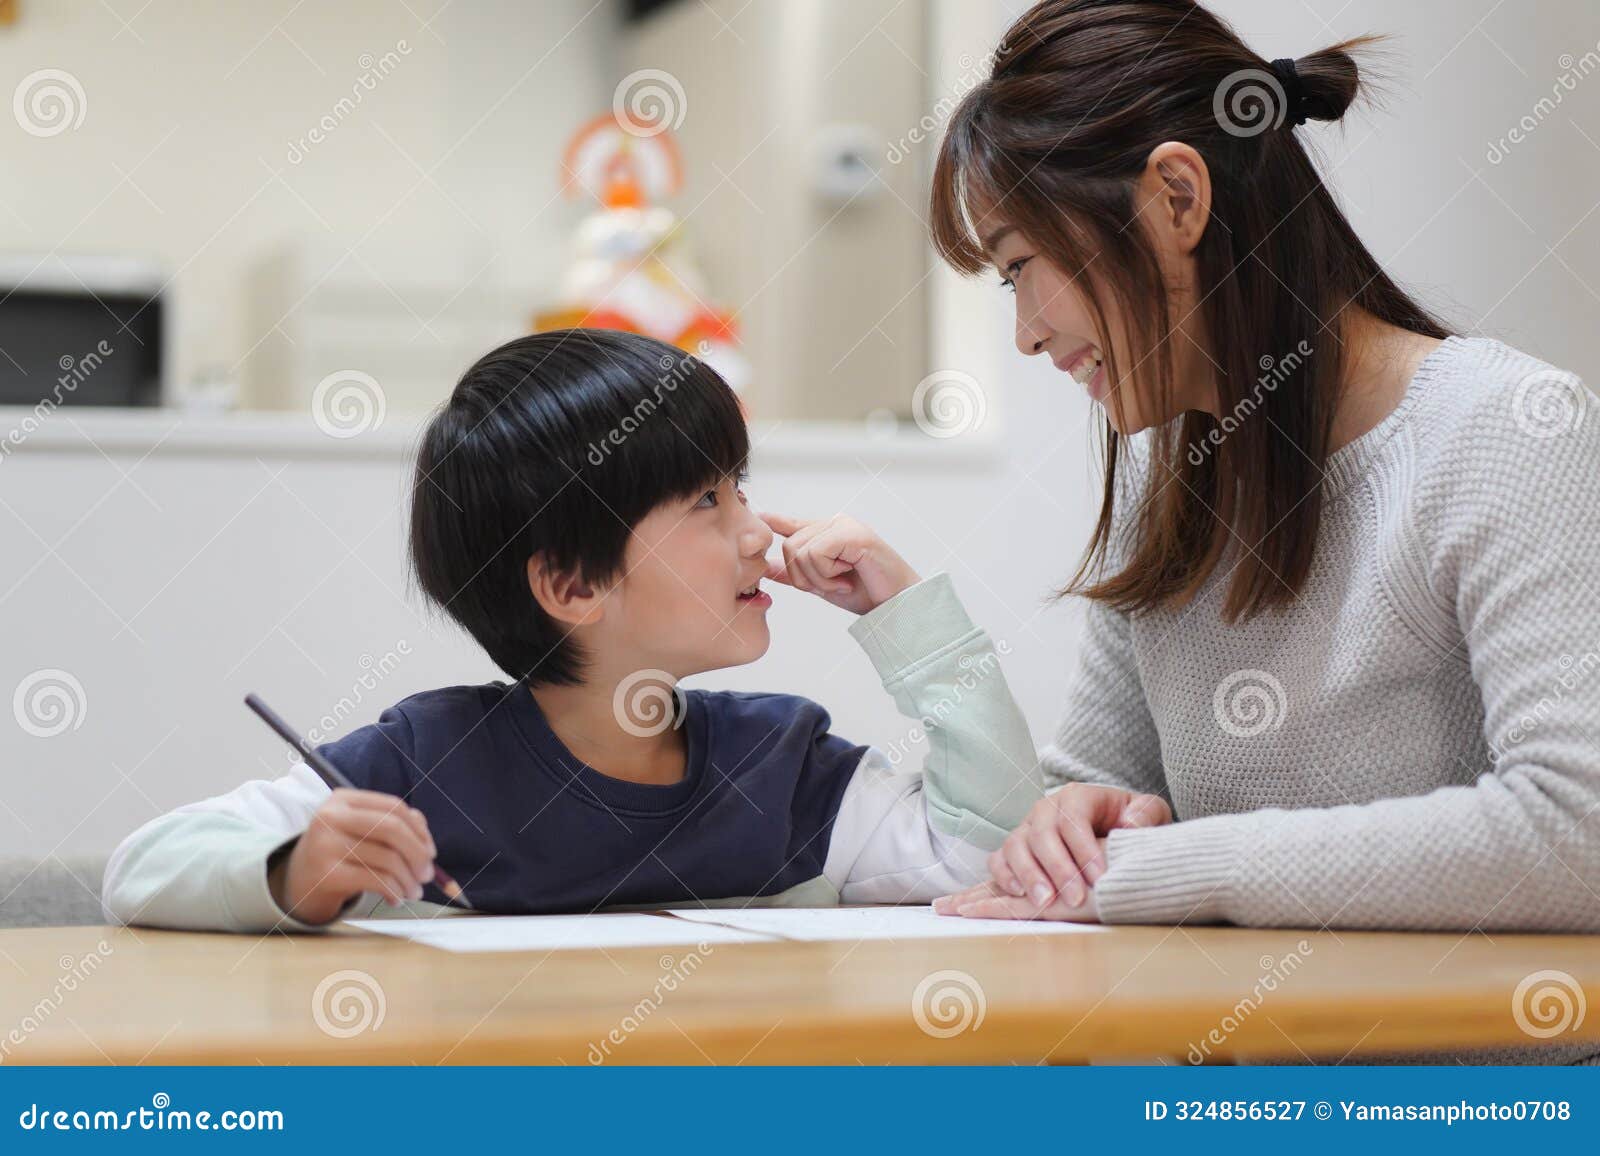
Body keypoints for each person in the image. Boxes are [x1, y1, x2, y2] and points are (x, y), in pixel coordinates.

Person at [919, 0, 1598, 1064]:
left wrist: (1175, 865)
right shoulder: (1165, 470)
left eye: (1019, 267)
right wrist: (1068, 827)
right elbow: (1094, 805)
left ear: (1175, 197)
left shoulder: (1509, 429)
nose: (1024, 331)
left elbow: (1578, 834)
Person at [101, 329, 1045, 930]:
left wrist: (907, 618)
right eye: (708, 502)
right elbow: (141, 869)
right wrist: (296, 872)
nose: (759, 532)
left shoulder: (782, 764)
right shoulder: (426, 762)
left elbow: (984, 855)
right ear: (570, 583)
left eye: (742, 490)